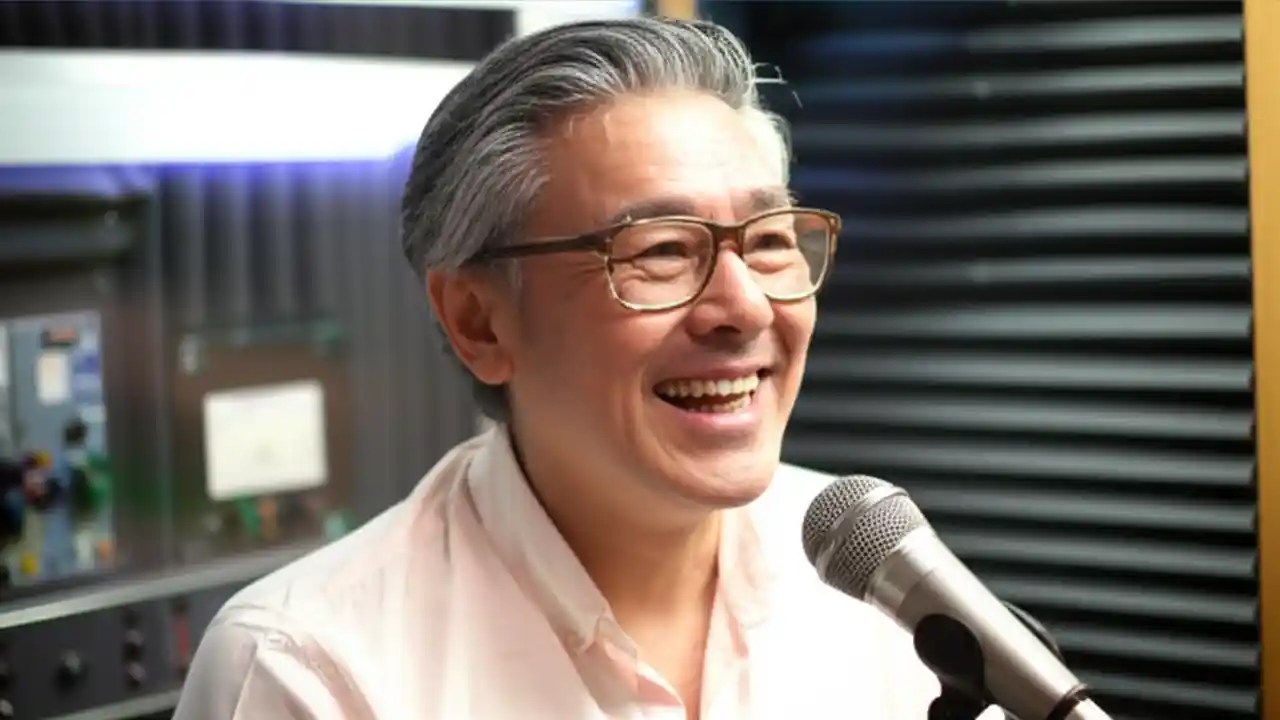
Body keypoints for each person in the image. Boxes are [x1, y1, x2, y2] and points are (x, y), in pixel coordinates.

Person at [176, 17, 1000, 720]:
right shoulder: (309, 672)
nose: (745, 307)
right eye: (660, 252)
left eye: (772, 240)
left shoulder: (876, 579)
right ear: (478, 321)